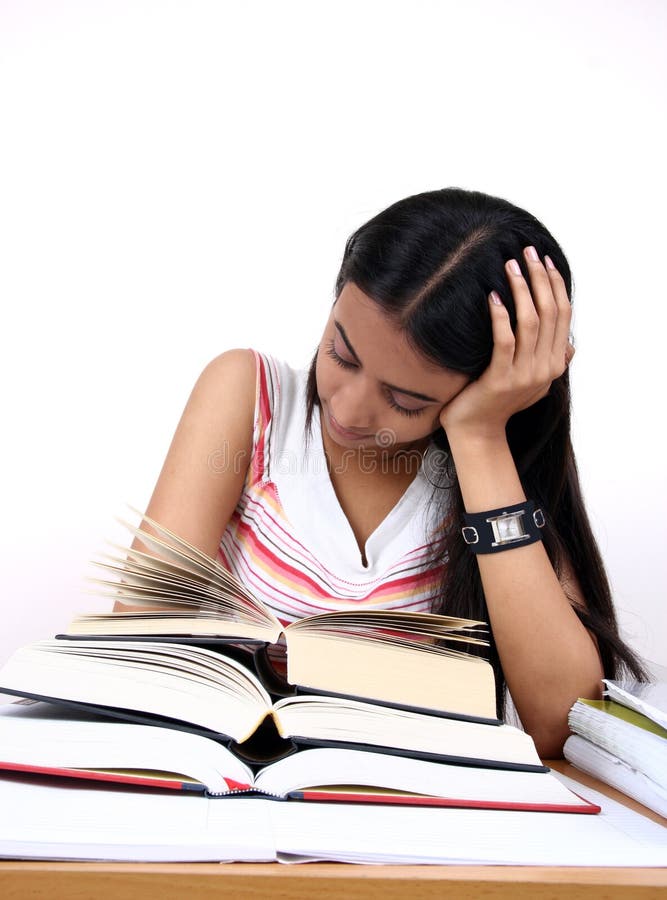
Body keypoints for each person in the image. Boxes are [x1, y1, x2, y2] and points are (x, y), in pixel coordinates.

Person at [133, 187, 646, 758]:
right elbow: (132, 651)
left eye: (405, 400)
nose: (347, 411)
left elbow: (561, 725)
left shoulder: (494, 474)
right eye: (341, 354)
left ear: (488, 386)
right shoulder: (249, 401)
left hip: (410, 828)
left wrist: (479, 439)